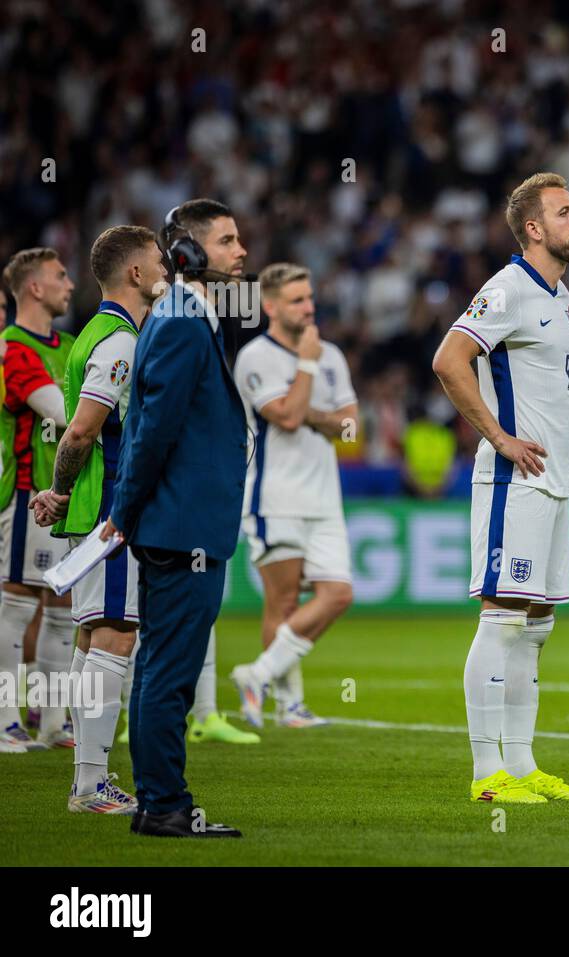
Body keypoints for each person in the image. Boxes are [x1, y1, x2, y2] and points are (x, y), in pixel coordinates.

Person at [432, 172, 569, 804]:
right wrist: (500, 438)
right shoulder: (507, 289)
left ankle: (523, 767)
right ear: (534, 228)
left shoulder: (558, 295)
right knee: (501, 622)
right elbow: (449, 360)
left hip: (554, 482)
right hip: (514, 479)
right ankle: (485, 775)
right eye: (565, 212)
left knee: (536, 626)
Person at [106, 198, 251, 837]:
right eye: (226, 241)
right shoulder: (183, 321)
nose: (241, 251)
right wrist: (124, 512)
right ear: (188, 254)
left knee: (163, 670)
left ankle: (158, 801)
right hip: (181, 526)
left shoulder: (185, 319)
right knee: (169, 673)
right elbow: (149, 432)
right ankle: (164, 804)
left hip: (181, 523)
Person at [31, 226, 167, 812]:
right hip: (113, 514)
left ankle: (89, 781)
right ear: (135, 274)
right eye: (159, 262)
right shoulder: (118, 340)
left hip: (98, 514)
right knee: (116, 634)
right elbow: (82, 428)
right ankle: (89, 787)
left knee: (94, 637)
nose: (167, 270)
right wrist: (59, 490)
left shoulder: (98, 332)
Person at [229, 263, 357, 730]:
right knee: (281, 605)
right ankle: (290, 707)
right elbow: (285, 418)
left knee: (338, 594)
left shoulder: (332, 356)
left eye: (309, 297)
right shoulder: (256, 357)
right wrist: (305, 364)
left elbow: (349, 426)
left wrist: (310, 409)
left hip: (325, 499)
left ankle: (257, 675)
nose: (309, 307)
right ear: (270, 306)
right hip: (274, 497)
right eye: (297, 300)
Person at [0, 247, 76, 751]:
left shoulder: (69, 344)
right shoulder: (13, 348)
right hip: (29, 492)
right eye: (61, 275)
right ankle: (6, 719)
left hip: (69, 496)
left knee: (63, 608)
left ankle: (52, 723)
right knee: (17, 606)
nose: (70, 283)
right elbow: (64, 411)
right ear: (34, 288)